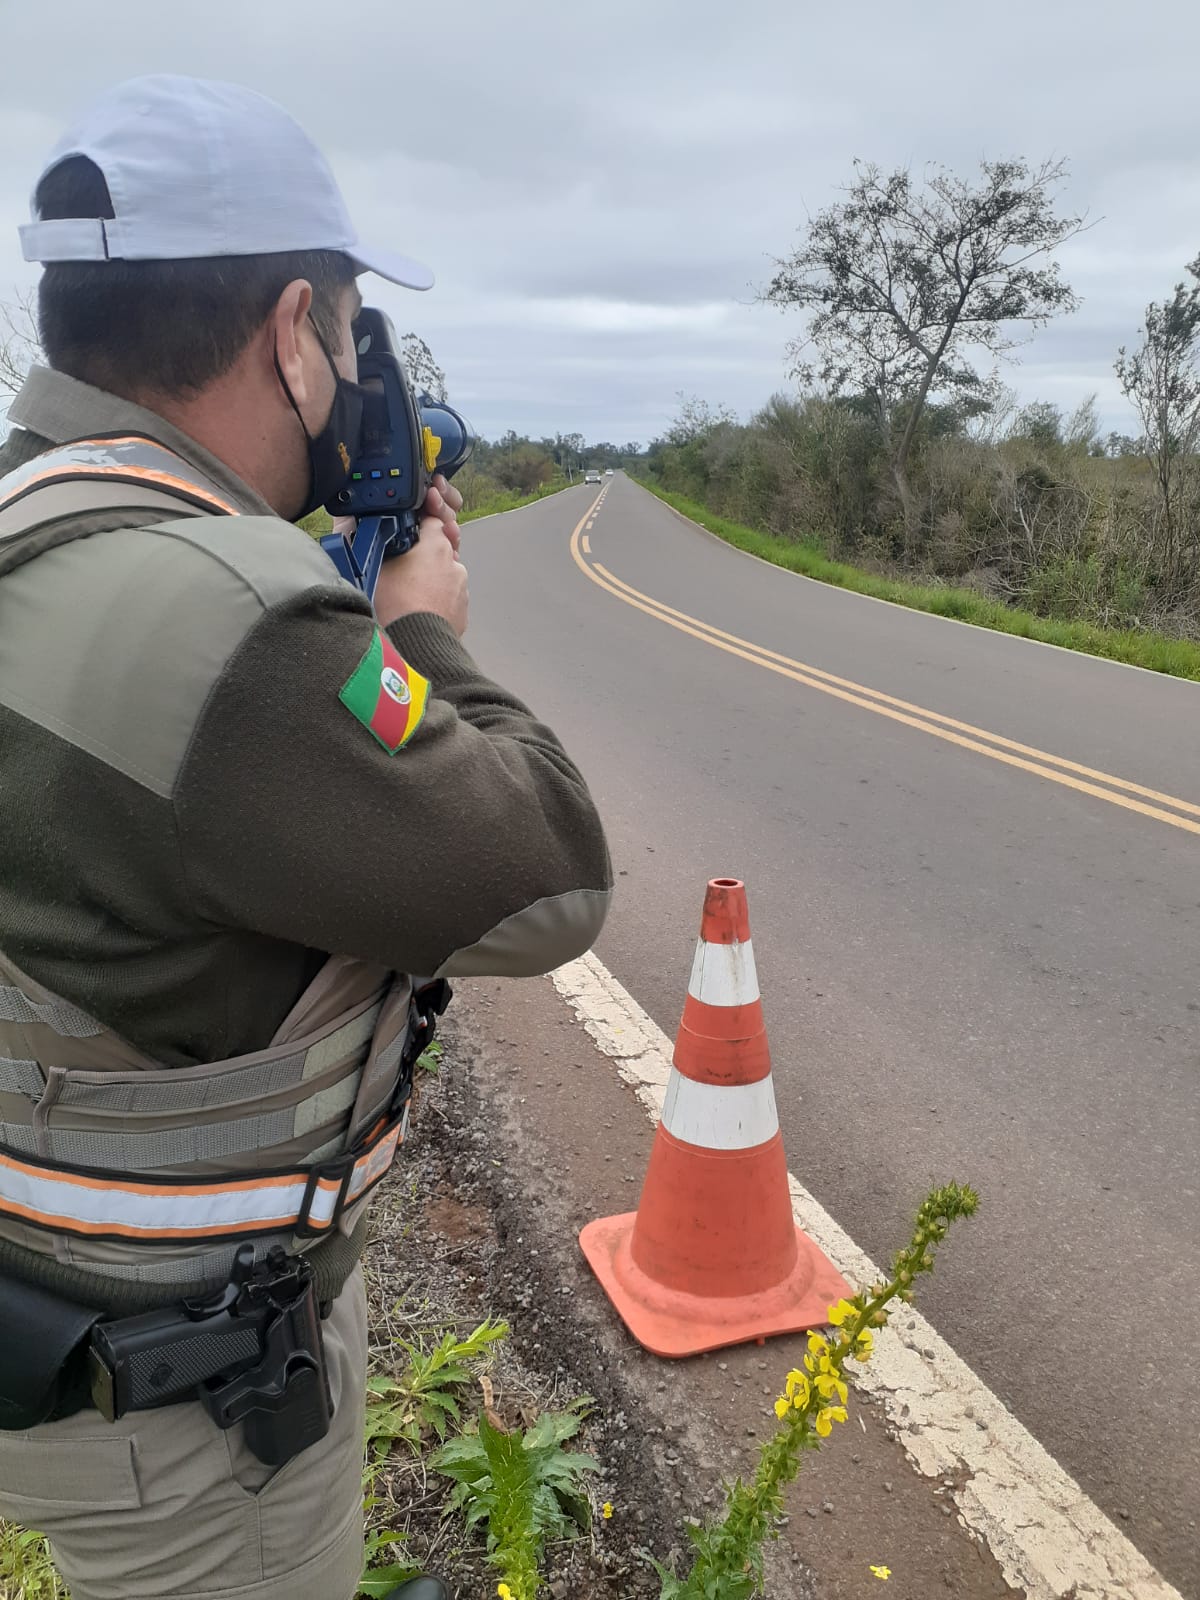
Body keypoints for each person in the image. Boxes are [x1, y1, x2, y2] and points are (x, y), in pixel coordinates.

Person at [0, 74, 611, 1600]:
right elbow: (550, 882)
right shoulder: (237, 623)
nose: (348, 372)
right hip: (176, 1407)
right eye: (343, 332)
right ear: (288, 330)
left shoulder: (32, 526)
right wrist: (425, 638)